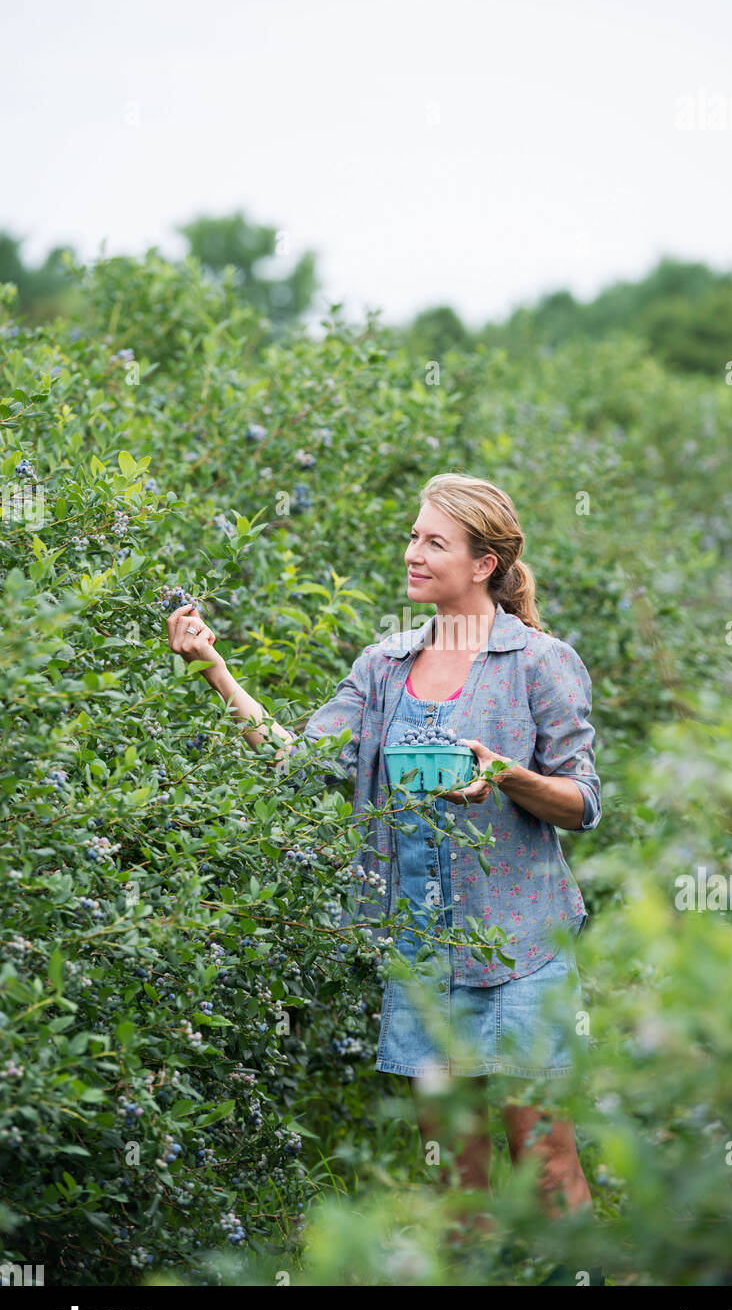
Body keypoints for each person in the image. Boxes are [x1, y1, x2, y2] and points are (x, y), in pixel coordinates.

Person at [165, 471, 602, 1240]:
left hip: (522, 948)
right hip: (425, 957)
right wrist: (213, 669)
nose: (412, 552)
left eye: (434, 541)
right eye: (412, 535)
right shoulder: (384, 667)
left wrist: (502, 775)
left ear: (482, 565)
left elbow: (581, 803)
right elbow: (300, 764)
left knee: (546, 1163)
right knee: (452, 1179)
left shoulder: (538, 662)